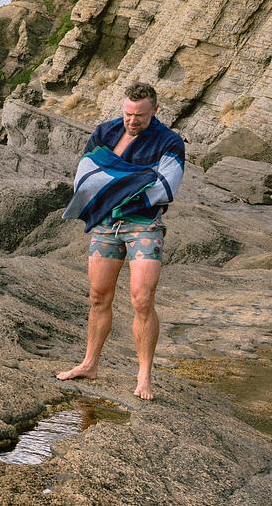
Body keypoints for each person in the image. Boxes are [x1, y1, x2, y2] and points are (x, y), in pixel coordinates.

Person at [56, 82, 185, 400]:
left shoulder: (169, 141)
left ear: (154, 110)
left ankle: (143, 377)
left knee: (142, 300)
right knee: (99, 297)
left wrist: (114, 181)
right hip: (106, 224)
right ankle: (89, 363)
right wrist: (137, 178)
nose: (132, 120)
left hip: (144, 226)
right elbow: (86, 177)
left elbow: (166, 186)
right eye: (127, 113)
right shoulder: (104, 132)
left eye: (139, 115)